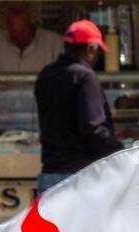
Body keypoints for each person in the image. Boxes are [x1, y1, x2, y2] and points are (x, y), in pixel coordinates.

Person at [33, 20, 122, 195]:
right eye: (97, 52)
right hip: (80, 178)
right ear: (90, 49)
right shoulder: (84, 77)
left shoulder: (46, 74)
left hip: (50, 173)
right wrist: (119, 153)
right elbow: (92, 127)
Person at [0, 2, 62, 74]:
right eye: (14, 32)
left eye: (23, 31)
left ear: (32, 24)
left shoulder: (56, 44)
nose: (19, 37)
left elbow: (68, 81)